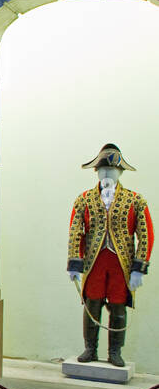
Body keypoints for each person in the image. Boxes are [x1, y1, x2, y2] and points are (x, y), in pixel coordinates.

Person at [67, 143, 152, 366]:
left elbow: (145, 234)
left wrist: (138, 268)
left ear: (120, 172)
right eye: (102, 170)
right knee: (91, 302)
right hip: (93, 262)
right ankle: (90, 348)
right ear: (96, 172)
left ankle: (115, 351)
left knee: (118, 304)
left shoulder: (136, 200)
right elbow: (76, 231)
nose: (107, 174)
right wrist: (74, 264)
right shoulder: (83, 199)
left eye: (112, 171)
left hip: (120, 263)